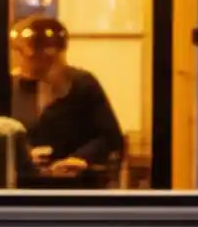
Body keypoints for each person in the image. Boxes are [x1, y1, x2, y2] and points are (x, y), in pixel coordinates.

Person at [8, 16, 124, 183]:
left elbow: (110, 137)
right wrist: (24, 156)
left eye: (45, 57)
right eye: (27, 56)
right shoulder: (11, 87)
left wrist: (80, 159)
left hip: (75, 185)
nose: (33, 62)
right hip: (25, 184)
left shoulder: (82, 83)